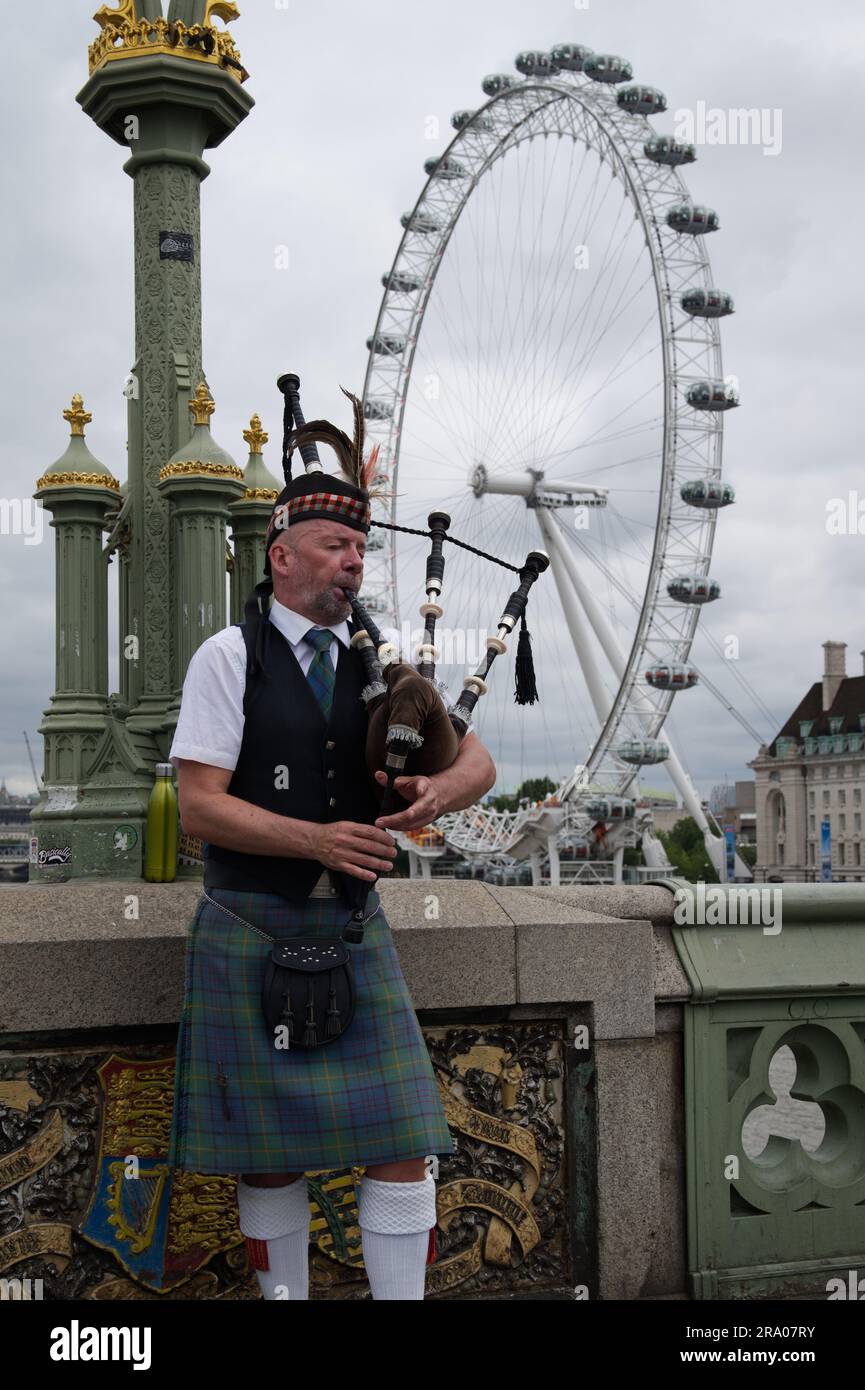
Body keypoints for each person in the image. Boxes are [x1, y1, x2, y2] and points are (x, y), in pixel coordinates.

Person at [166, 392, 496, 1301]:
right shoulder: (228, 659)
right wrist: (313, 835)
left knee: (402, 1149)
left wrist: (438, 787)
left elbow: (481, 767)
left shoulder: (379, 670)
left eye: (359, 550)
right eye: (335, 547)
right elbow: (198, 807)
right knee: (269, 1165)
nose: (354, 561)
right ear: (282, 557)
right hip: (248, 922)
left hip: (351, 932)